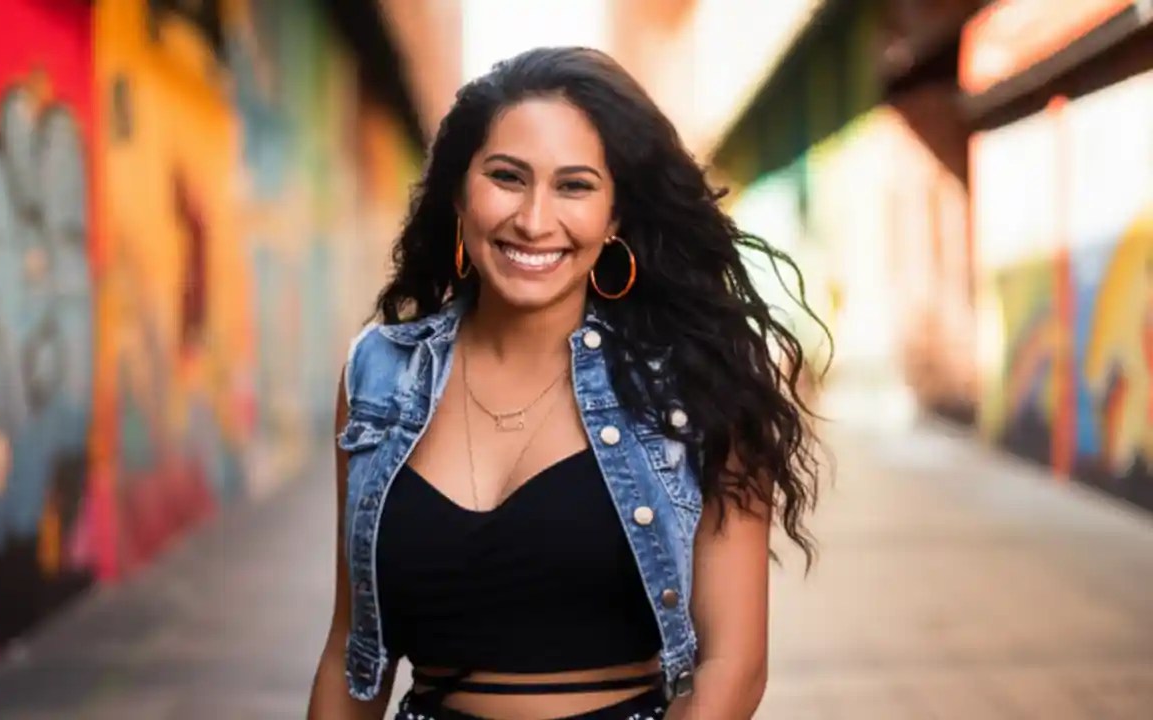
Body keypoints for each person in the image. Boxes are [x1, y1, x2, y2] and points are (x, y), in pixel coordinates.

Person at [307, 46, 823, 720]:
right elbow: (353, 650)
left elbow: (734, 665)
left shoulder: (699, 382)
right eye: (507, 177)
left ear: (615, 217)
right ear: (460, 193)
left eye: (574, 186)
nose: (533, 219)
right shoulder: (378, 373)